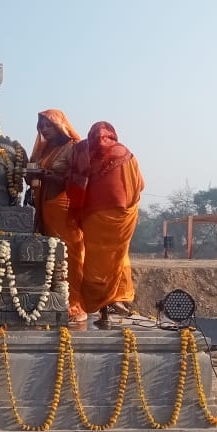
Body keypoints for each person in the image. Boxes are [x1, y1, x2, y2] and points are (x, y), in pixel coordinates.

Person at [67, 121, 145, 328]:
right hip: (123, 215)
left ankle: (104, 304)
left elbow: (76, 186)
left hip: (94, 216)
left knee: (96, 260)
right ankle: (116, 298)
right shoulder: (125, 153)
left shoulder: (85, 151)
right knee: (118, 255)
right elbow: (140, 184)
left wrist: (76, 209)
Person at [27, 109, 87, 325]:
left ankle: (75, 304)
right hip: (43, 206)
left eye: (48, 125)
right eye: (41, 126)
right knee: (50, 254)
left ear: (59, 125)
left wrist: (49, 176)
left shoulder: (73, 147)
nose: (44, 130)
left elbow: (78, 179)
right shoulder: (45, 149)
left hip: (64, 208)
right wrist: (31, 174)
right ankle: (53, 299)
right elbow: (31, 178)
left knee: (70, 255)